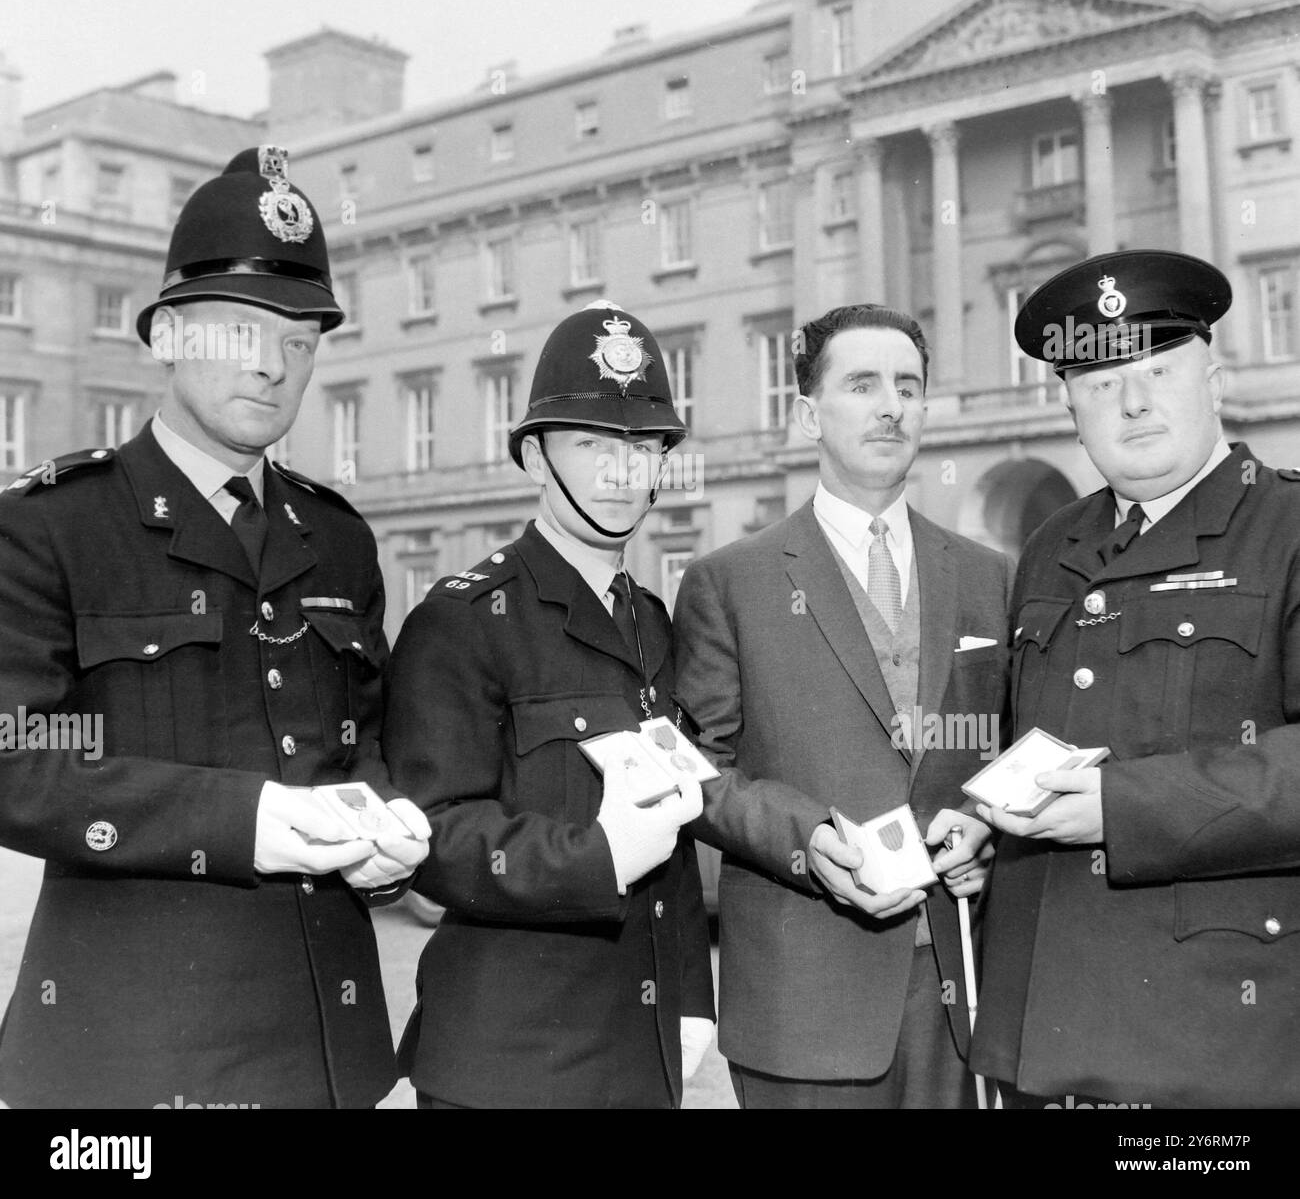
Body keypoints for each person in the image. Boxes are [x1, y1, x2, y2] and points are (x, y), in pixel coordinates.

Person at [0, 146, 429, 1109]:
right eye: (242, 331)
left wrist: (395, 834)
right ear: (166, 336)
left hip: (330, 1048)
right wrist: (250, 819)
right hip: (131, 1057)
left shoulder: (336, 538)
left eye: (301, 339)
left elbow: (365, 747)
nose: (274, 366)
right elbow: (16, 760)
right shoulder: (51, 527)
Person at [971, 248, 1300, 1109]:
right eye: (1104, 380)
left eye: (1159, 369)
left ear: (1214, 380)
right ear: (1072, 404)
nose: (1135, 400)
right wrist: (980, 818)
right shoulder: (1051, 546)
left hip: (1214, 1047)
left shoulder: (1290, 529)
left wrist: (1122, 807)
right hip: (1041, 1038)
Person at [672, 304, 1012, 1109]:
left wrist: (987, 822)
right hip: (803, 1010)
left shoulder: (989, 574)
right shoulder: (732, 580)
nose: (890, 405)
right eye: (862, 384)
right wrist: (808, 841)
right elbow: (701, 774)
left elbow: (1006, 753)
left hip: (959, 995)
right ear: (807, 413)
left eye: (908, 386)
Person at [382, 302, 715, 1109]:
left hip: (639, 1053)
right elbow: (434, 836)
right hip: (509, 1061)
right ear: (536, 455)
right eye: (593, 444)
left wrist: (691, 999)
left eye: (642, 447)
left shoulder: (651, 620)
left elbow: (671, 827)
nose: (620, 471)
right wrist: (594, 857)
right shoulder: (462, 618)